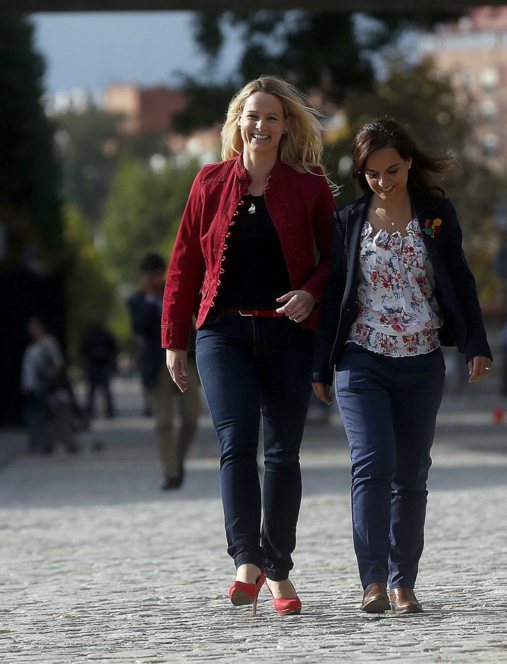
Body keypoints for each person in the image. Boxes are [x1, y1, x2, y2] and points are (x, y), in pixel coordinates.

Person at [162, 75, 336, 616]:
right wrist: (175, 340)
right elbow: (186, 263)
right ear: (237, 123)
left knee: (283, 452)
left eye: (271, 118)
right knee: (236, 444)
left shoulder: (308, 186)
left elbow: (338, 259)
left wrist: (311, 293)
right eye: (251, 116)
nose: (260, 126)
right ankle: (246, 562)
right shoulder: (209, 182)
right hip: (223, 333)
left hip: (288, 333)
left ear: (287, 127)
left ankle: (278, 568)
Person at [312, 119, 492, 616]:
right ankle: (371, 581)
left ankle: (402, 582)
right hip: (361, 358)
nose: (383, 181)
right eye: (371, 173)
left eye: (392, 170)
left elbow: (459, 278)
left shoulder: (436, 214)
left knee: (411, 473)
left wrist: (476, 343)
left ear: (409, 163)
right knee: (372, 462)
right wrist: (320, 367)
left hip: (420, 361)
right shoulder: (349, 219)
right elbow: (334, 295)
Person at [128, 253, 200, 491]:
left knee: (191, 417)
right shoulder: (137, 300)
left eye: (157, 274)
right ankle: (170, 472)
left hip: (183, 360)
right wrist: (150, 301)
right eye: (150, 275)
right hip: (155, 366)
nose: (154, 279)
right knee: (163, 422)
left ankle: (177, 462)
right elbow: (138, 327)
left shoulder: (176, 291)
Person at [20, 316, 79, 454]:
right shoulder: (32, 347)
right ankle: (43, 443)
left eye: (33, 328)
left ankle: (65, 442)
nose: (31, 331)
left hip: (47, 387)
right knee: (39, 417)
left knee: (57, 416)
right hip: (33, 387)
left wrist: (50, 378)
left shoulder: (48, 343)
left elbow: (58, 363)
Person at [80, 313, 118, 423]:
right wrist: (94, 354)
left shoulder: (107, 335)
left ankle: (109, 412)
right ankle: (89, 412)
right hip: (93, 365)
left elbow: (113, 349)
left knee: (106, 391)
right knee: (91, 392)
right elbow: (83, 350)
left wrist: (105, 354)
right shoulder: (89, 335)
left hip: (104, 365)